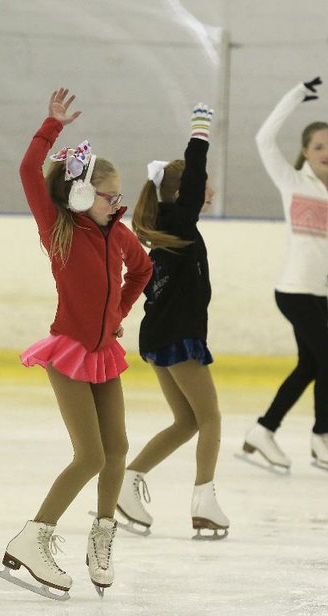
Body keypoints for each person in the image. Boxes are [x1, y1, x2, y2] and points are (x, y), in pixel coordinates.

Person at [0, 88, 152, 600]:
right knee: (89, 455)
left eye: (119, 195)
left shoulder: (120, 234)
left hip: (104, 351)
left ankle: (100, 538)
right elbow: (27, 172)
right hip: (67, 352)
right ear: (84, 194)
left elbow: (142, 271)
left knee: (118, 449)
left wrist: (118, 313)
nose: (118, 202)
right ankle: (33, 538)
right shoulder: (58, 227)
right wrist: (51, 126)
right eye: (109, 195)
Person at [115, 103, 229, 540]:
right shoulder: (179, 224)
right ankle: (204, 500)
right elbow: (196, 173)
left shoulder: (166, 228)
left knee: (187, 421)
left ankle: (128, 482)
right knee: (211, 418)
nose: (209, 188)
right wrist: (200, 131)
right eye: (204, 185)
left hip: (160, 337)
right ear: (187, 193)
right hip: (179, 338)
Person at [242, 77, 328, 471]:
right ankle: (321, 433)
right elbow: (264, 139)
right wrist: (295, 95)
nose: (327, 152)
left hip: (318, 293)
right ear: (305, 152)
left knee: (311, 364)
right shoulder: (292, 182)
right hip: (292, 290)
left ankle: (263, 430)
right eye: (318, 146)